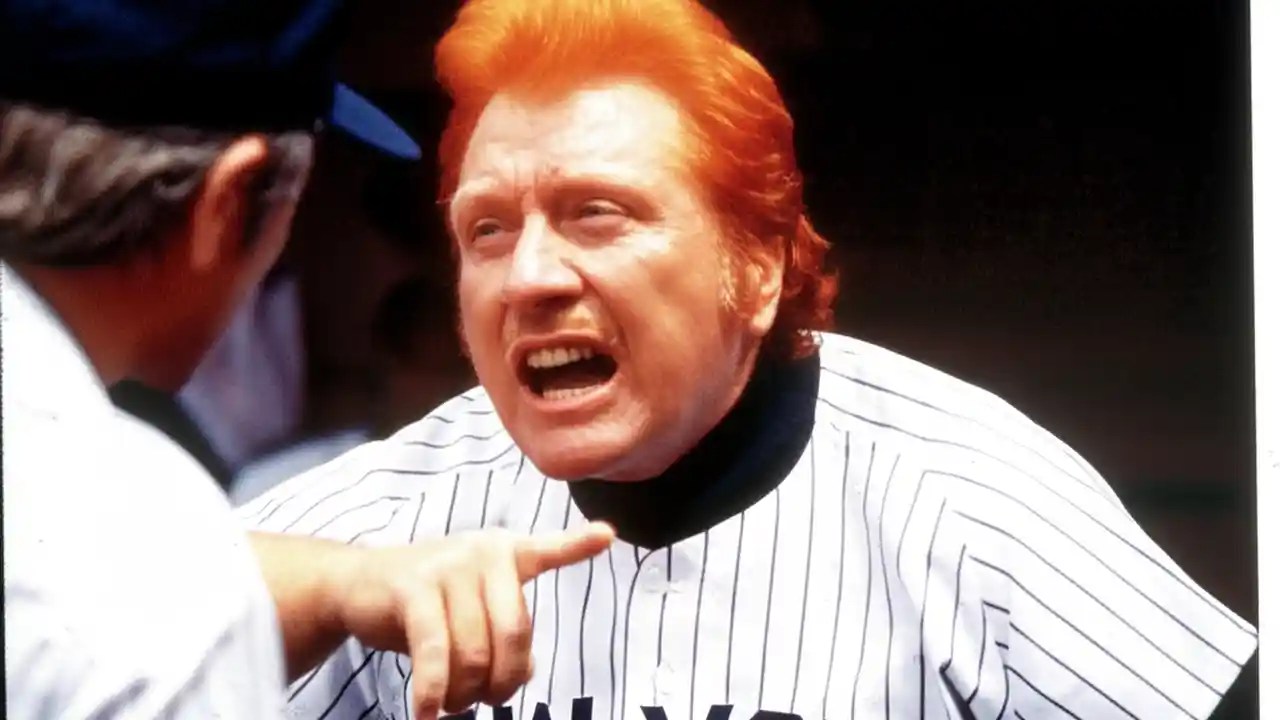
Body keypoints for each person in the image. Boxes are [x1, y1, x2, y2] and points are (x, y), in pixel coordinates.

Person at [242, 0, 1261, 719]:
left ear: (757, 265)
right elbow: (97, 624)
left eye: (596, 214)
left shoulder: (963, 497)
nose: (528, 278)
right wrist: (335, 591)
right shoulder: (397, 516)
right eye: (489, 232)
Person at [0, 1, 615, 718]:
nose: (532, 277)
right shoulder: (148, 557)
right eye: (487, 230)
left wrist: (342, 583)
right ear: (228, 202)